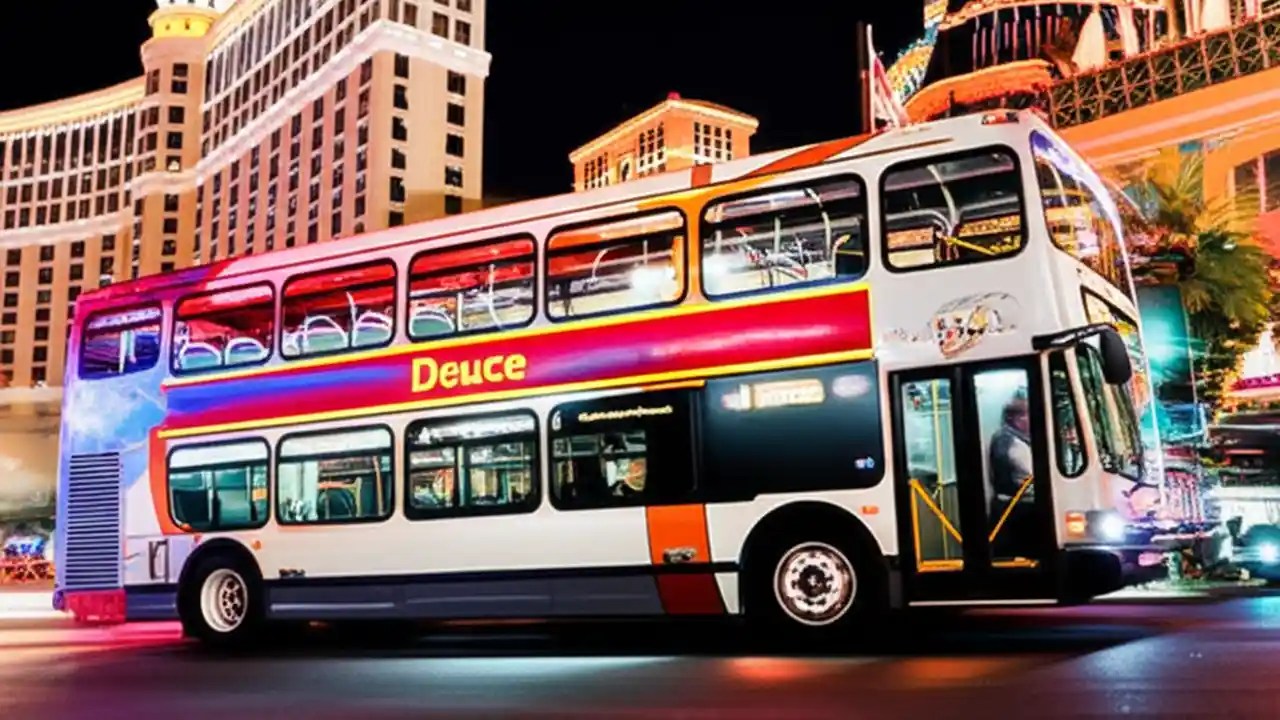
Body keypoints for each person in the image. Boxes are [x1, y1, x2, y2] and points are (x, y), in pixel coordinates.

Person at [988, 392, 1036, 559]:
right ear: (1017, 419)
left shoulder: (1004, 437)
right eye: (1029, 415)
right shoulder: (1012, 443)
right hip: (1015, 510)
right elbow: (1028, 474)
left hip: (1008, 507)